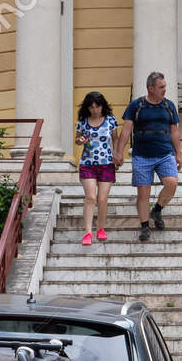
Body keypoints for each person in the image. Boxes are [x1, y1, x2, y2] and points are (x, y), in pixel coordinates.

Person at [116, 71, 182, 243]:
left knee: (172, 183)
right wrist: (119, 152)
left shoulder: (169, 106)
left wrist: (179, 153)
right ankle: (145, 226)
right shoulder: (136, 105)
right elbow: (126, 130)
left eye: (165, 86)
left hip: (165, 153)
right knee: (143, 192)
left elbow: (174, 131)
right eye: (161, 87)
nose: (164, 90)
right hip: (142, 156)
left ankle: (158, 209)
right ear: (151, 88)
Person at [76, 91, 117, 246]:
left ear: (102, 106)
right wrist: (80, 140)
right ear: (88, 108)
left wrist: (118, 157)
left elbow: (116, 140)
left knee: (102, 199)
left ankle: (100, 228)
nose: (94, 110)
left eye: (97, 106)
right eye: (91, 107)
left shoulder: (111, 120)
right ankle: (87, 232)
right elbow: (78, 140)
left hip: (106, 164)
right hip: (87, 164)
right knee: (91, 198)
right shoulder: (83, 121)